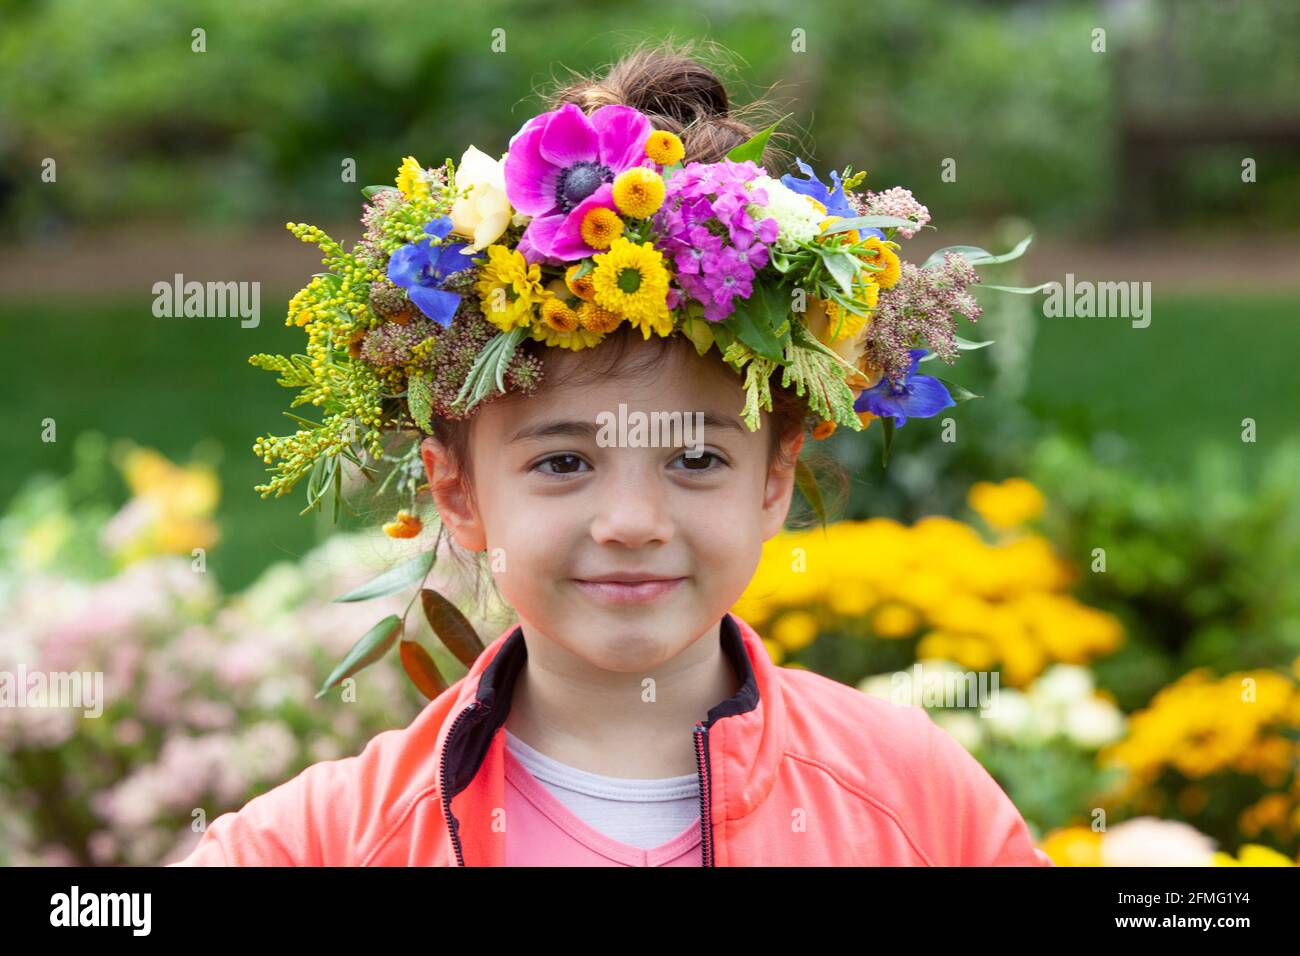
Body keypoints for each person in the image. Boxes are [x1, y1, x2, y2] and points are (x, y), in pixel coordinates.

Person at [172, 40, 1053, 867]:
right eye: (562, 463)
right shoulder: (323, 844)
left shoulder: (920, 810)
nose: (632, 523)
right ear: (459, 494)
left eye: (697, 460)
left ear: (775, 479)